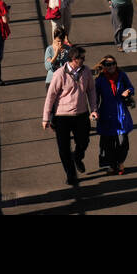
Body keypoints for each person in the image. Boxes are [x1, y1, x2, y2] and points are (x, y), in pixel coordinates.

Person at [42, 46, 99, 186]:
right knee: (63, 148)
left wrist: (94, 109)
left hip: (81, 114)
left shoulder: (86, 72)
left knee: (84, 141)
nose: (84, 60)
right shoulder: (59, 74)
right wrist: (45, 117)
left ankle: (78, 157)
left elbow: (91, 91)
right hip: (62, 117)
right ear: (73, 59)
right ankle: (71, 174)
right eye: (82, 58)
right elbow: (50, 97)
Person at [95, 56, 135, 174]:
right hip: (106, 113)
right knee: (108, 142)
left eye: (113, 63)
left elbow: (131, 87)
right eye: (108, 64)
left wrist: (128, 91)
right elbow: (95, 98)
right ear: (104, 66)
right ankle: (112, 165)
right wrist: (94, 111)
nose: (111, 66)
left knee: (123, 142)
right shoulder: (100, 80)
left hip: (121, 112)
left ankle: (120, 162)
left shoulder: (122, 75)